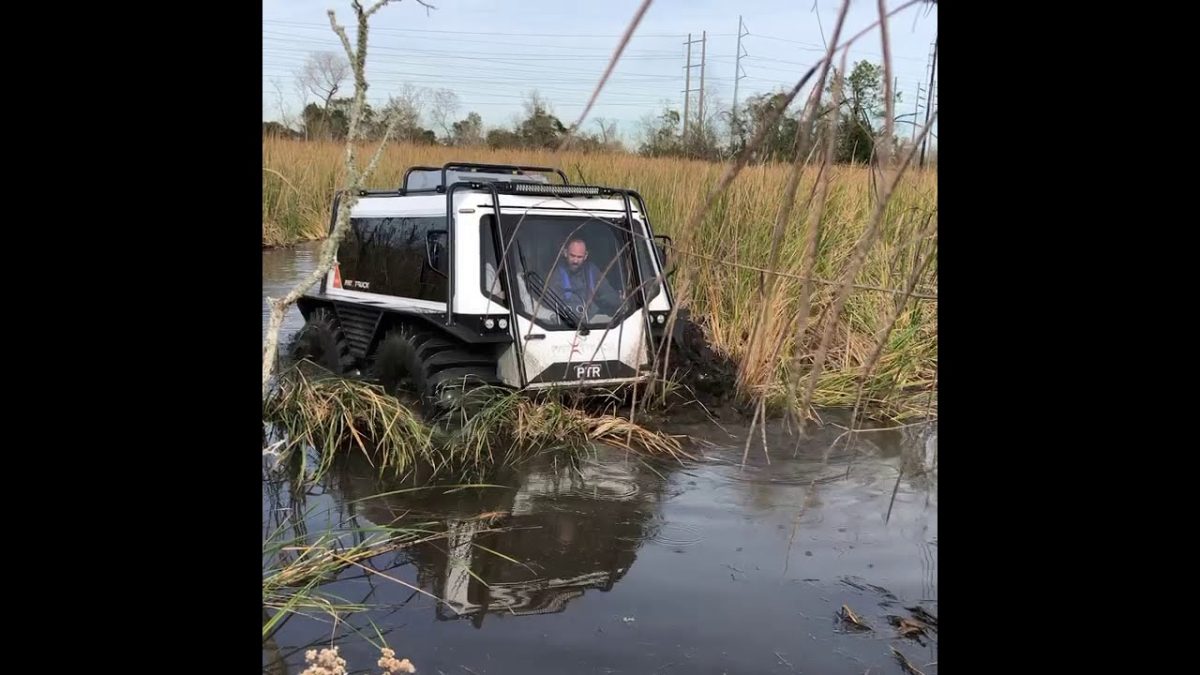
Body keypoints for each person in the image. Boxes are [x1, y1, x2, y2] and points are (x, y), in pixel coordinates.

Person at [547, 236, 621, 318]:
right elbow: (549, 303)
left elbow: (610, 296)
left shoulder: (592, 271)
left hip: (594, 324)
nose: (575, 261)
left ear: (585, 256)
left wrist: (599, 301)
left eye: (579, 257)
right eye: (572, 256)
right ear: (565, 253)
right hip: (567, 323)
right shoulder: (557, 274)